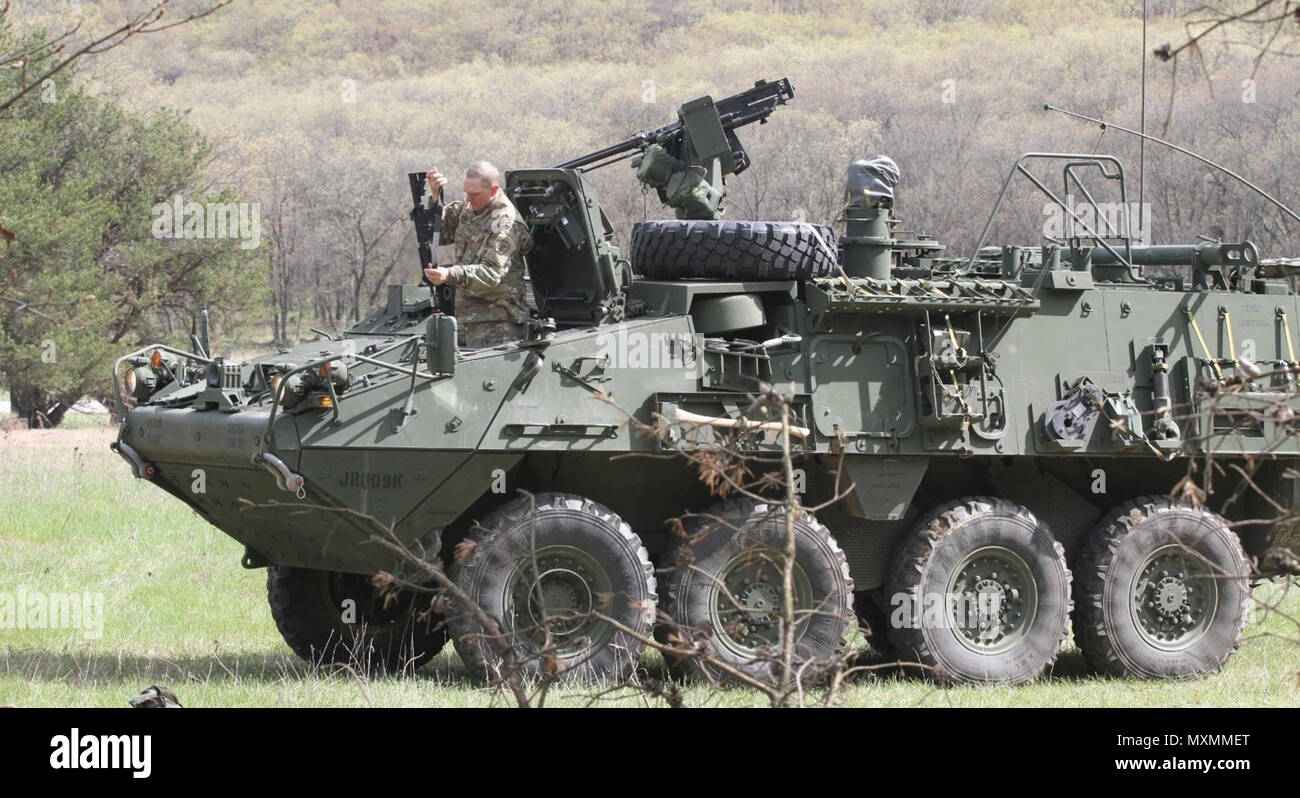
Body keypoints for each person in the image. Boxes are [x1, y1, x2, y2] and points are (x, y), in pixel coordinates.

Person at [423, 161, 534, 347]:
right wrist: (435, 195)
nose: (467, 199)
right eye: (465, 192)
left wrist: (450, 274)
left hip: (497, 324)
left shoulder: (505, 223)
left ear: (493, 190)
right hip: (465, 319)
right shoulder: (468, 208)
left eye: (473, 194)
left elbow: (491, 273)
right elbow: (438, 236)